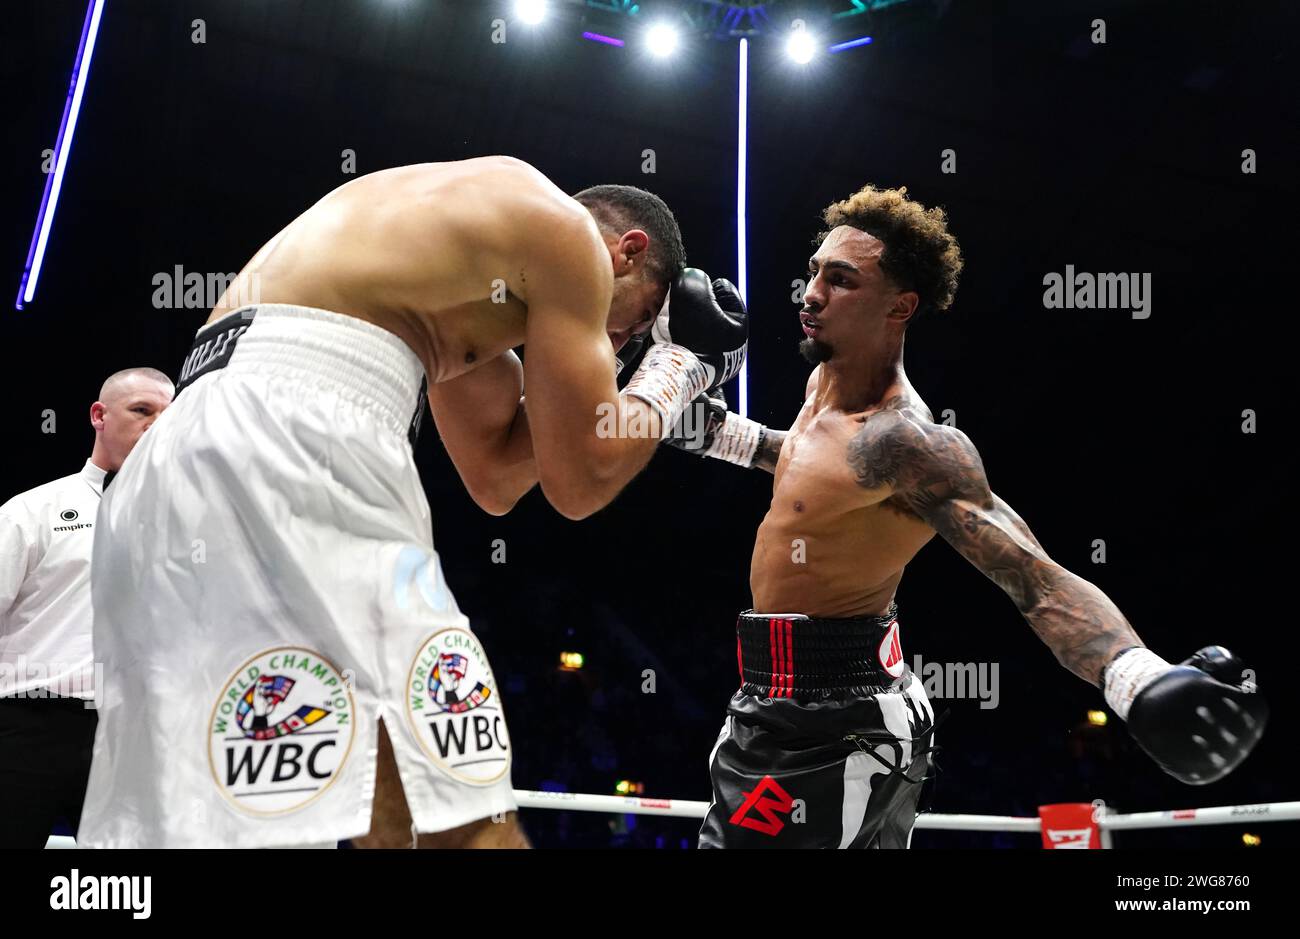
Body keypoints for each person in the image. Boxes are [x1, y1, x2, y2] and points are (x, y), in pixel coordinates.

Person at [78, 157, 747, 848]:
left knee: (270, 817)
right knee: (458, 807)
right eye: (634, 327)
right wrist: (677, 367)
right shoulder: (570, 232)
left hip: (176, 464)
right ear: (628, 250)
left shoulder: (447, 273)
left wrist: (649, 394)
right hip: (297, 438)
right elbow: (581, 481)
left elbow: (496, 477)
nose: (615, 348)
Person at [667, 184, 1267, 848]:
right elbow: (813, 473)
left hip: (837, 717)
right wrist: (723, 434)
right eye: (813, 272)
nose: (810, 293)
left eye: (840, 280)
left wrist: (1135, 676)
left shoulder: (906, 439)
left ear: (900, 306)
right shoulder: (824, 389)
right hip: (775, 697)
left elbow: (1033, 577)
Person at [0, 367, 173, 847]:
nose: (157, 425)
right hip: (29, 726)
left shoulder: (189, 521)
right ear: (99, 415)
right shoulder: (34, 511)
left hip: (132, 733)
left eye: (168, 415)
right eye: (142, 410)